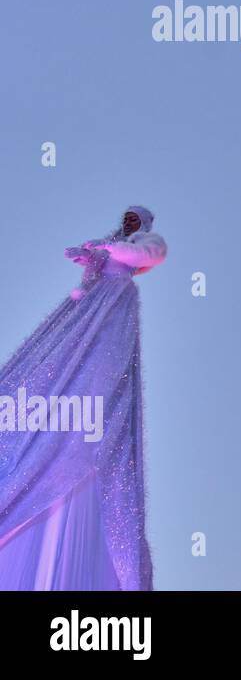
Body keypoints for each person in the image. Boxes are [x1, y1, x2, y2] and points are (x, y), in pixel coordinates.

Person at [0, 206, 167, 589]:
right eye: (126, 218)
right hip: (92, 304)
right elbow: (94, 274)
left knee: (102, 362)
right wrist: (89, 258)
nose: (128, 222)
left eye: (134, 219)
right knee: (68, 355)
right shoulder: (113, 245)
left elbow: (147, 255)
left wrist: (109, 251)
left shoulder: (144, 244)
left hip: (112, 303)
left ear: (142, 223)